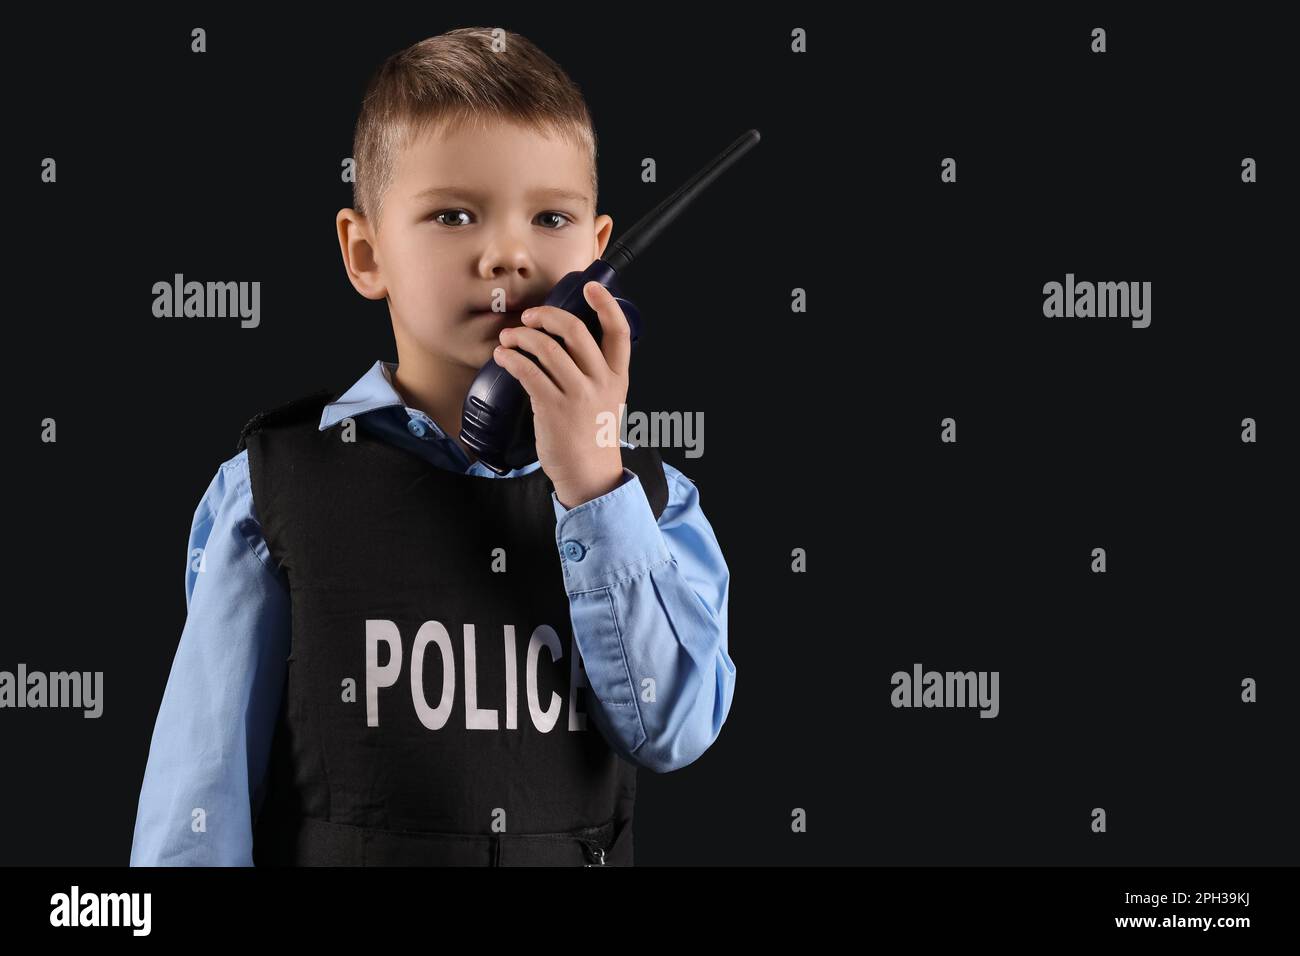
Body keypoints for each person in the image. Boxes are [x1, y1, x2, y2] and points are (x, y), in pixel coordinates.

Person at [129, 26, 735, 867]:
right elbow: (198, 806)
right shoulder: (271, 491)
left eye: (550, 217)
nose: (508, 254)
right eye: (454, 215)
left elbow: (673, 728)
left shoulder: (649, 506)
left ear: (599, 257)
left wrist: (595, 487)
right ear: (366, 252)